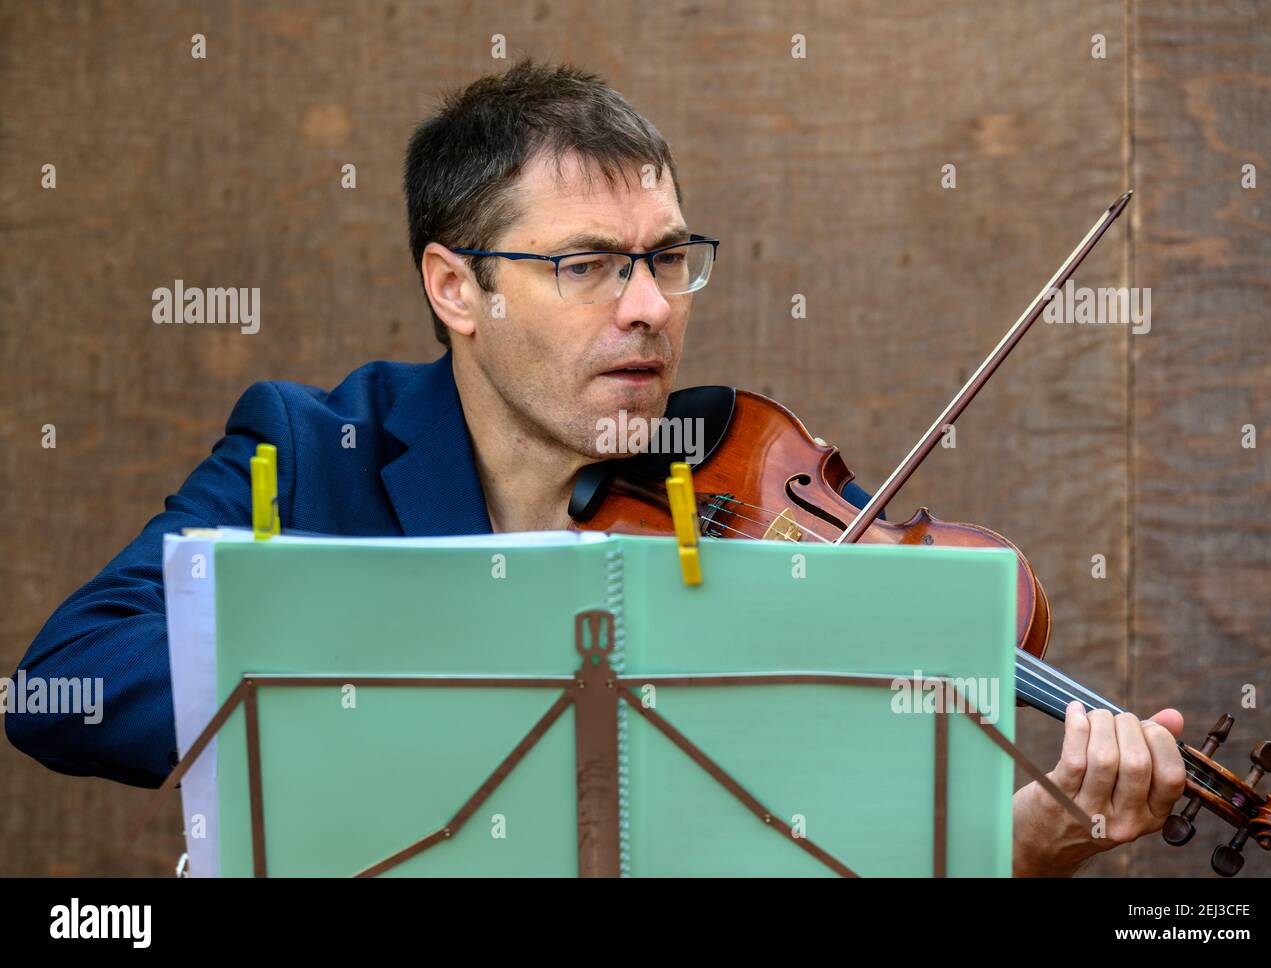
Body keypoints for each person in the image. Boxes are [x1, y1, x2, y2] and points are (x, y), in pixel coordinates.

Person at [6, 60, 1185, 876]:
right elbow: (64, 681)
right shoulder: (313, 449)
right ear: (456, 287)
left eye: (667, 259)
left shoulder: (741, 509)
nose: (649, 308)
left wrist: (1018, 850)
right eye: (585, 266)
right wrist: (444, 644)